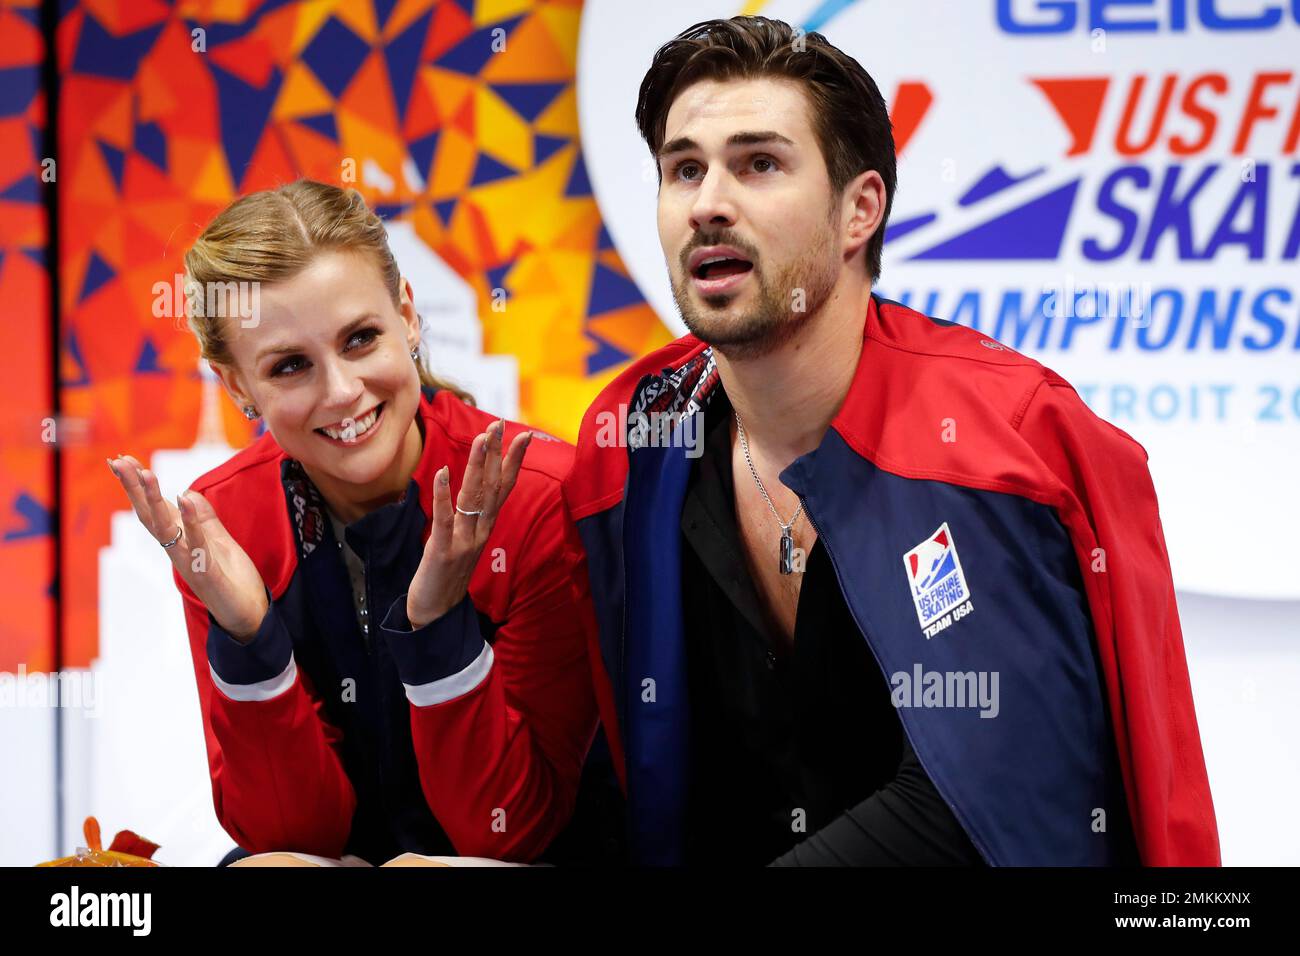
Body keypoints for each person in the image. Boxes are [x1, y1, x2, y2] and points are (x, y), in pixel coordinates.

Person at [563, 16, 1221, 865]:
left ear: (858, 210)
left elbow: (982, 809)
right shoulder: (637, 448)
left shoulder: (993, 442)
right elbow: (619, 781)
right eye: (683, 169)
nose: (708, 204)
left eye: (759, 164)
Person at [108, 180, 598, 865]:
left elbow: (512, 830)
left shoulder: (538, 494)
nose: (341, 392)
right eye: (289, 367)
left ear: (408, 316)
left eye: (361, 338)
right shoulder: (219, 526)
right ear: (238, 387)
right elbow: (286, 839)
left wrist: (437, 631)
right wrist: (250, 640)